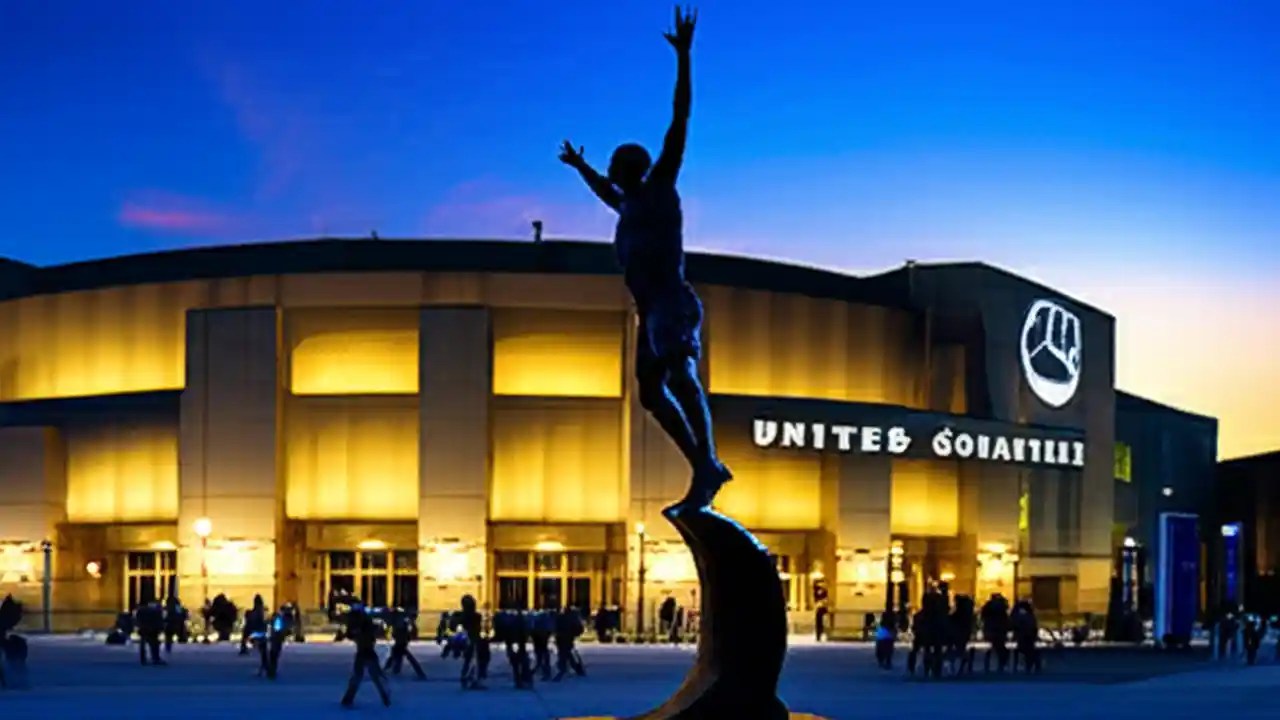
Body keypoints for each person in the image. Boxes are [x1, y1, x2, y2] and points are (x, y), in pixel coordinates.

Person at [559, 6, 730, 510]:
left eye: (614, 164)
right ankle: (704, 463)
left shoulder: (659, 186)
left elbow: (680, 119)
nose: (610, 172)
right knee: (651, 394)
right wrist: (580, 166)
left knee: (680, 376)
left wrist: (684, 58)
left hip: (671, 303)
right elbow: (602, 191)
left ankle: (709, 459)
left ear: (635, 166)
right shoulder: (629, 201)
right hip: (647, 309)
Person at [340, 604, 391, 707]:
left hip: (364, 650)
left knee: (359, 676)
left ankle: (348, 699)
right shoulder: (364, 622)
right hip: (367, 650)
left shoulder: (358, 623)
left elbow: (352, 634)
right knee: (374, 676)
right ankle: (385, 697)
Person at [383, 608, 426, 681]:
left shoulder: (397, 619)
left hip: (401, 639)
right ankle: (394, 670)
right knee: (397, 654)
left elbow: (395, 628)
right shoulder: (401, 618)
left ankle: (391, 670)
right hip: (401, 639)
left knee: (397, 654)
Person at [135, 601, 165, 666]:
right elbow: (159, 620)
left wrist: (139, 627)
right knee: (154, 644)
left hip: (144, 629)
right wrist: (160, 629)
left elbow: (138, 620)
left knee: (143, 644)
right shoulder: (156, 611)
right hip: (153, 630)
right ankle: (155, 658)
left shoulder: (140, 611)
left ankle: (143, 659)